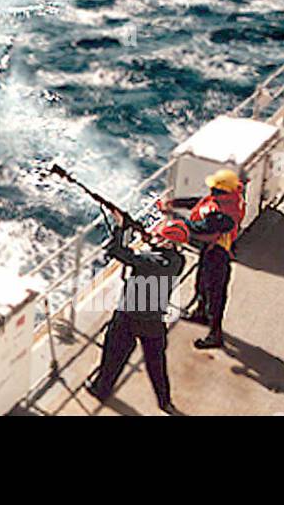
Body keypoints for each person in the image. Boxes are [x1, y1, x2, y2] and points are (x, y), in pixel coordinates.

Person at [85, 220, 189, 414]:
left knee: (113, 356)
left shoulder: (148, 260)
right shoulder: (178, 261)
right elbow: (154, 256)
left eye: (160, 236)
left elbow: (115, 251)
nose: (155, 236)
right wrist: (149, 239)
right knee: (156, 365)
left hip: (128, 317)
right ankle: (164, 401)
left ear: (168, 243)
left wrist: (120, 228)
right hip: (154, 321)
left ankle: (100, 389)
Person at [182, 169, 245, 349]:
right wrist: (175, 203)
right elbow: (200, 203)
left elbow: (201, 228)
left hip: (219, 254)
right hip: (211, 250)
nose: (211, 193)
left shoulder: (224, 214)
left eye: (215, 190)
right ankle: (200, 312)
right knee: (201, 283)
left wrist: (179, 223)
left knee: (215, 294)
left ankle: (215, 334)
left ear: (223, 192)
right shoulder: (229, 199)